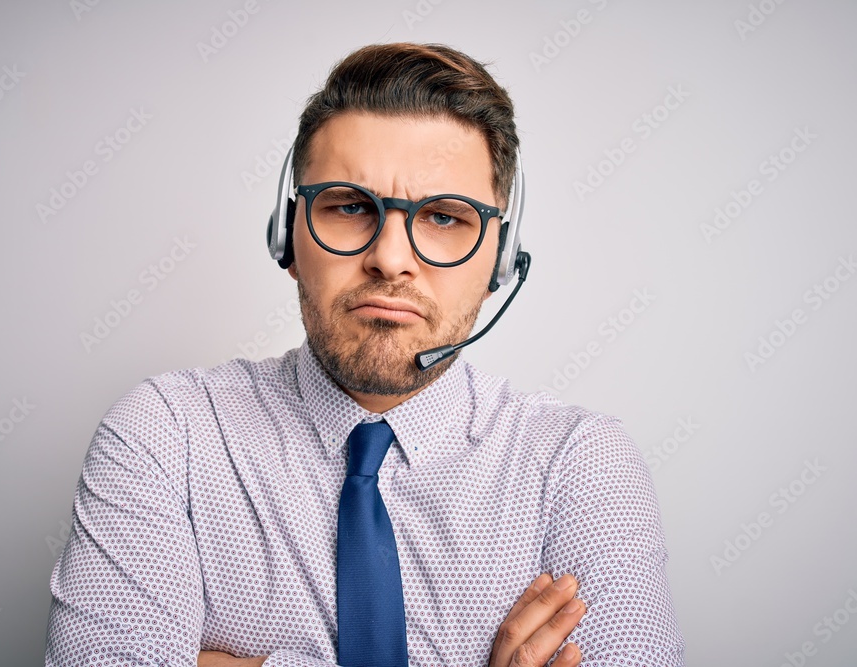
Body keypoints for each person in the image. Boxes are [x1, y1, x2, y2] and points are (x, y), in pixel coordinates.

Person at [45, 42, 685, 667]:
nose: (390, 258)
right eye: (350, 206)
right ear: (287, 237)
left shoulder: (580, 461)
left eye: (444, 217)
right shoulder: (167, 433)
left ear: (500, 259)